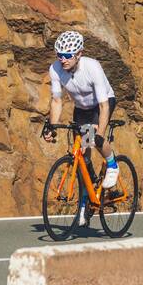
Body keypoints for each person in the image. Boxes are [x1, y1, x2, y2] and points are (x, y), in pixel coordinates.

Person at [42, 29, 118, 226]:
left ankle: (112, 165)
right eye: (59, 55)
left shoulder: (92, 67)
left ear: (79, 54)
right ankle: (86, 198)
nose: (62, 59)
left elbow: (104, 106)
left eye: (67, 55)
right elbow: (57, 101)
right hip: (81, 109)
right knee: (82, 155)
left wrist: (99, 133)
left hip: (101, 104)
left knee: (93, 139)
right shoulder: (55, 69)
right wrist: (52, 126)